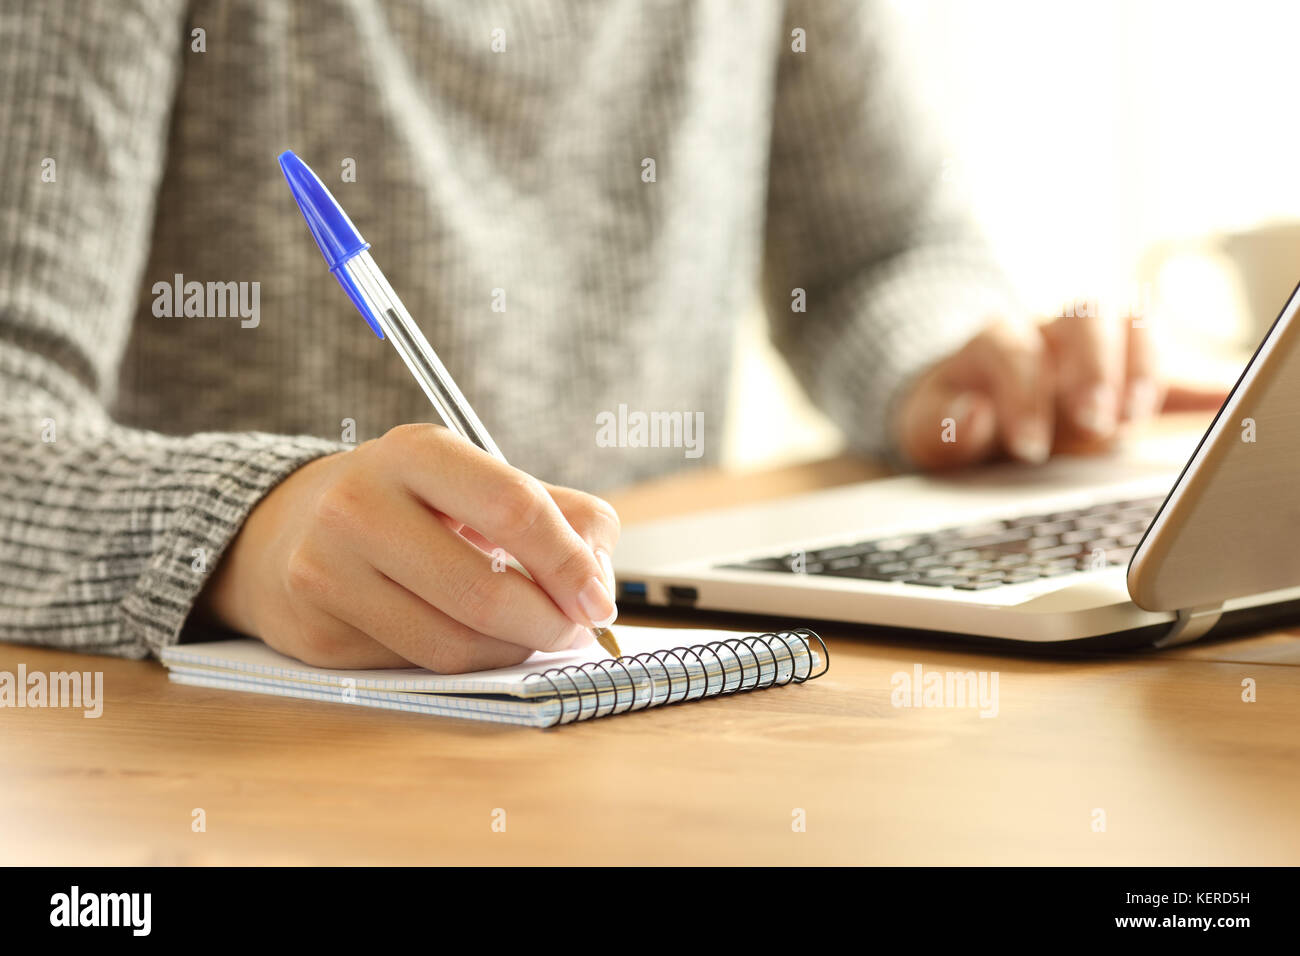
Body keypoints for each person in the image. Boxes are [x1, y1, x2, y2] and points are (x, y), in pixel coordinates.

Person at [0, 0, 1221, 673]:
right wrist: (249, 533)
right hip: (269, 759)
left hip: (632, 678)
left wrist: (952, 365)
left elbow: (881, 255)